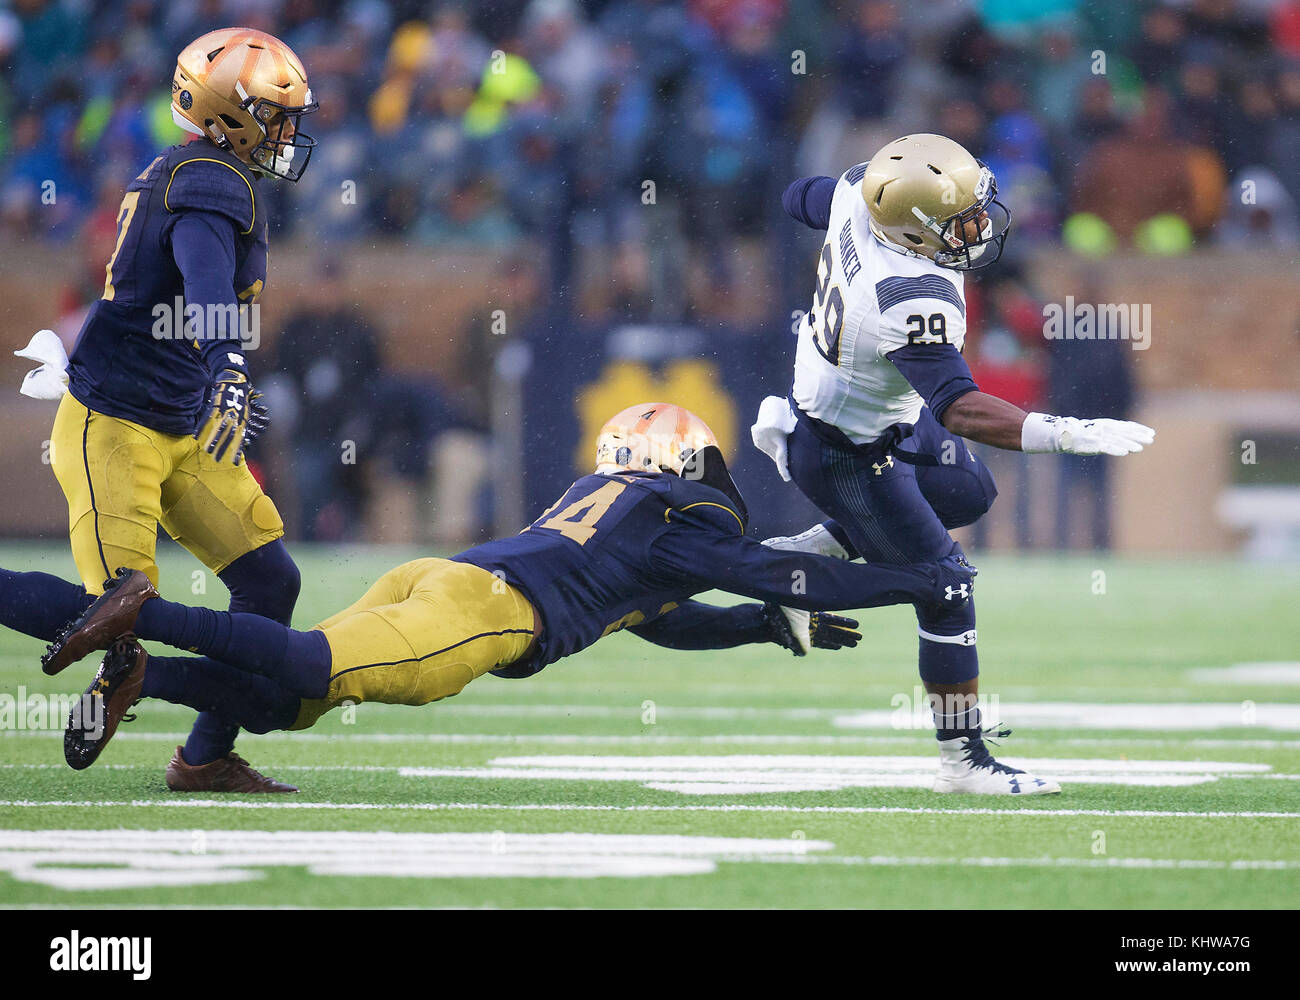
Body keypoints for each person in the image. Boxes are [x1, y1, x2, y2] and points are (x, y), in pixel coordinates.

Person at [38, 403, 975, 777]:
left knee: (289, 698)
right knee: (308, 667)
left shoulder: (609, 502)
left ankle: (147, 678)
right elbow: (787, 570)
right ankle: (143, 617)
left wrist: (758, 631)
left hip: (441, 576)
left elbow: (652, 618)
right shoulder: (684, 515)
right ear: (687, 459)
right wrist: (916, 578)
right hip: (480, 614)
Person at [753, 134, 1155, 794]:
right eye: (958, 219)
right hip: (845, 452)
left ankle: (812, 548)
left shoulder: (861, 197)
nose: (978, 226)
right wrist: (1064, 431)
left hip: (861, 415)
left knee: (967, 491)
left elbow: (803, 197)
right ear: (912, 231)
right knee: (947, 586)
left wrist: (834, 221)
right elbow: (961, 408)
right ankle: (963, 761)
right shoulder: (910, 294)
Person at [40, 28, 319, 792]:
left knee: (270, 584)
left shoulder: (207, 171)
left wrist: (214, 378)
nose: (289, 130)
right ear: (232, 112)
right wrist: (228, 363)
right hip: (115, 425)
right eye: (275, 113)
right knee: (121, 609)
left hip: (181, 422)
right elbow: (204, 287)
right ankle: (137, 678)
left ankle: (203, 755)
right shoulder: (210, 176)